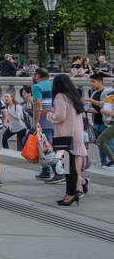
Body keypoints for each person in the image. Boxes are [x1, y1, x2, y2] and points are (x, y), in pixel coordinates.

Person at [48, 74, 88, 207]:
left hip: (64, 137)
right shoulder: (74, 96)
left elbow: (60, 116)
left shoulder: (60, 97)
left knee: (67, 166)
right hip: (76, 135)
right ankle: (69, 193)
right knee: (69, 166)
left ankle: (71, 194)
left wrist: (49, 115)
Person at [31, 68, 62, 181]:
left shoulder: (37, 86)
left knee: (46, 148)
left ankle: (57, 172)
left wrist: (37, 122)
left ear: (38, 76)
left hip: (44, 120)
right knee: (49, 146)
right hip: (55, 119)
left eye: (34, 75)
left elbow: (38, 104)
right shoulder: (53, 85)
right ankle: (45, 171)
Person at [90, 72, 114, 168]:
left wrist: (104, 111)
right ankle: (104, 163)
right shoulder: (96, 93)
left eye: (93, 81)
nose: (91, 83)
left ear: (100, 82)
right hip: (100, 121)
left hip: (107, 122)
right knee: (101, 143)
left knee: (105, 142)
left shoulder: (108, 93)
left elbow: (104, 107)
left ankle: (111, 162)